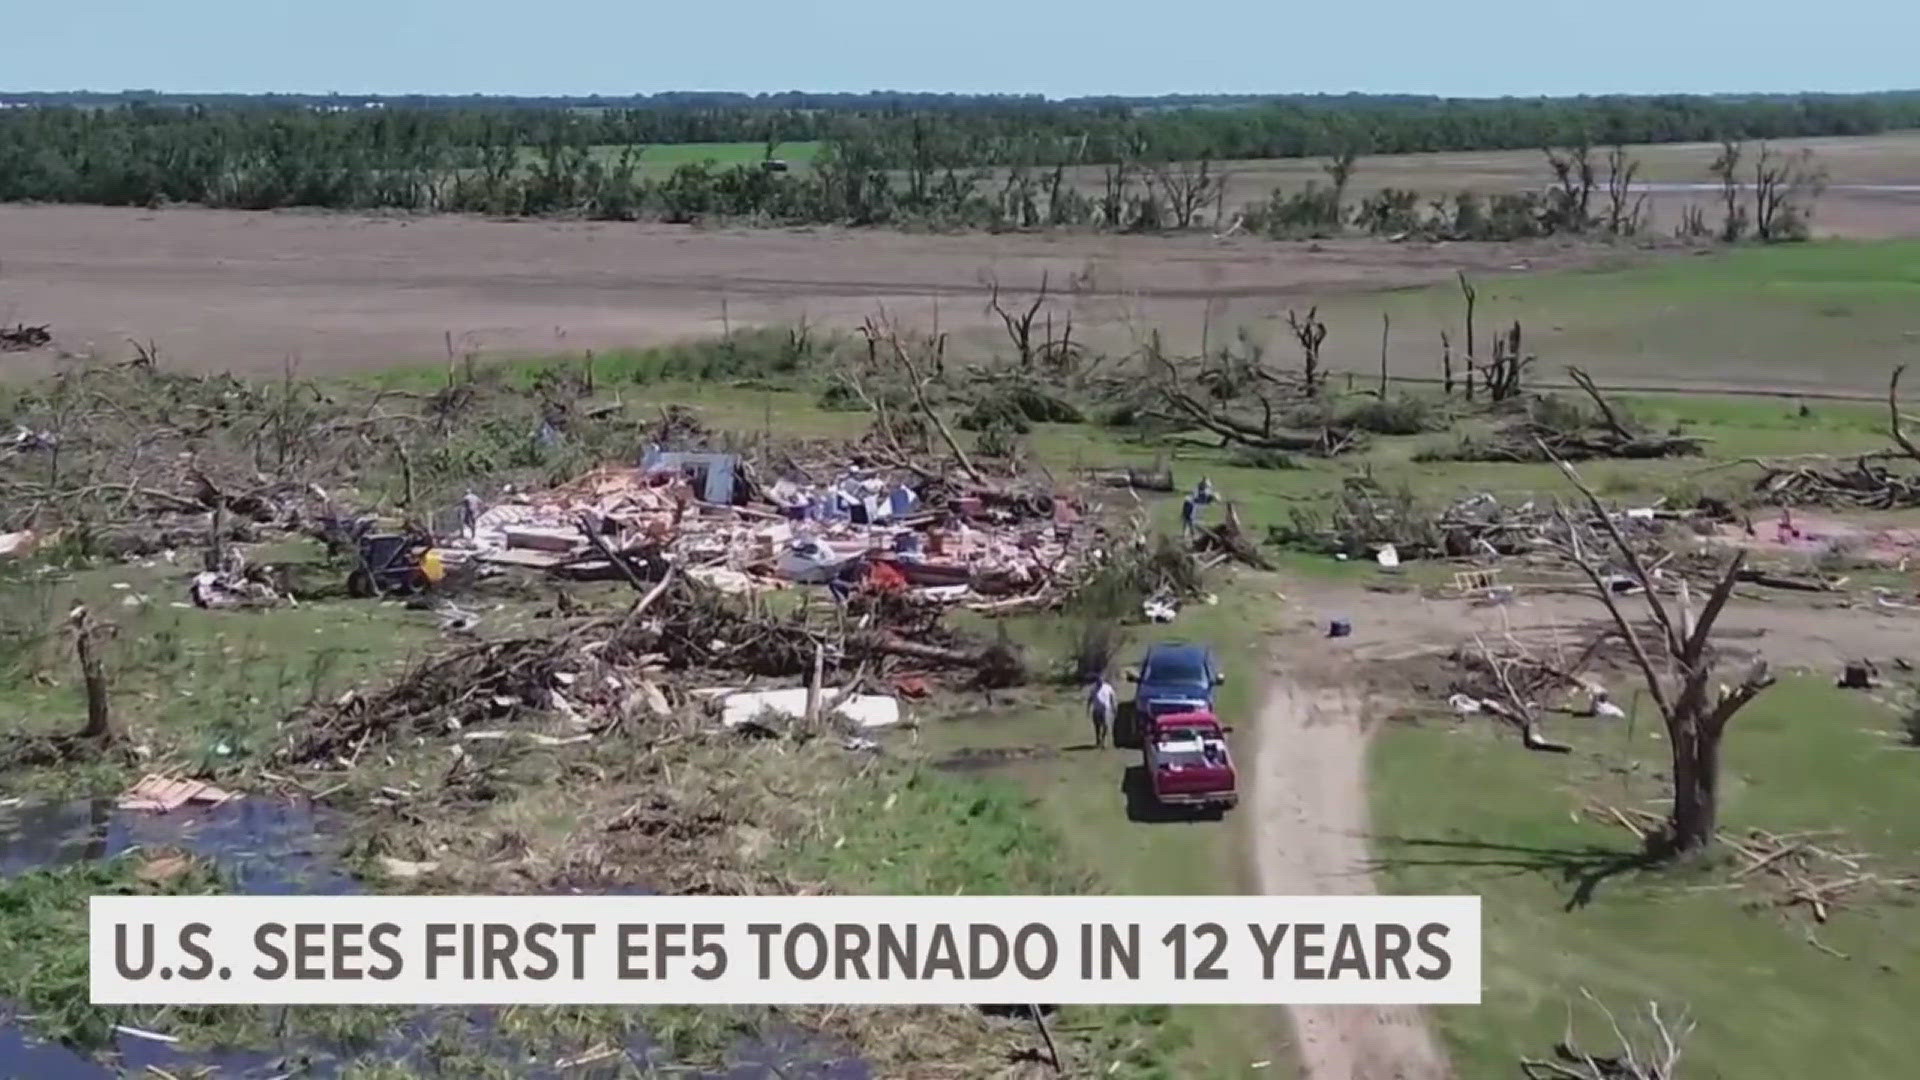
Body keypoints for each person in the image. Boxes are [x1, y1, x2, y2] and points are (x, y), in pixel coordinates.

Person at [1087, 675, 1116, 749]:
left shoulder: (1108, 687)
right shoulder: (1093, 688)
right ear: (1096, 681)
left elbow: (1112, 697)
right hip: (1096, 709)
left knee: (1106, 725)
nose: (1100, 682)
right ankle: (1098, 740)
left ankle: (1104, 740)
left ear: (1103, 681)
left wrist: (1114, 707)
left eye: (1101, 681)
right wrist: (1088, 709)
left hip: (1106, 709)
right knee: (1097, 726)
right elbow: (1090, 699)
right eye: (1098, 681)